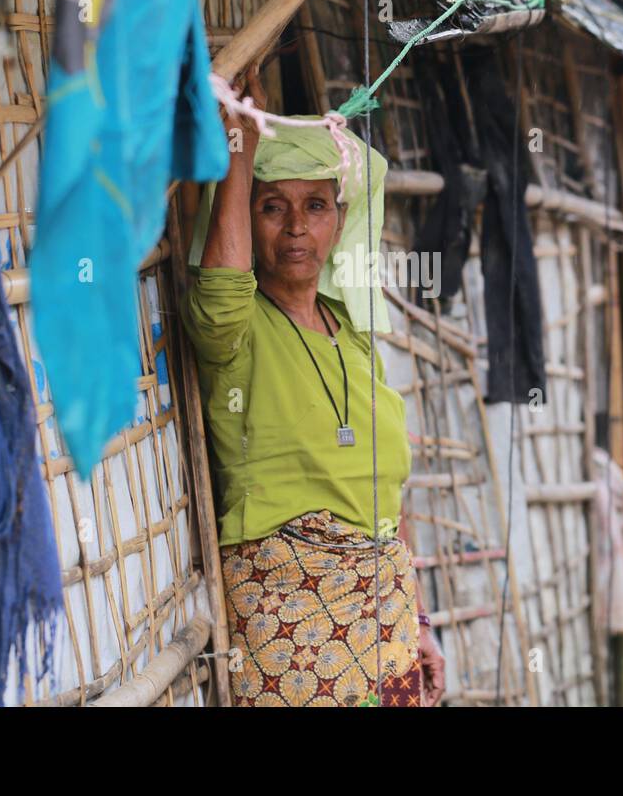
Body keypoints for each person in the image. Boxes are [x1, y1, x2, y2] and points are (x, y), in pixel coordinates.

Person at [182, 67, 446, 707]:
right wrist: (241, 144)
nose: (296, 227)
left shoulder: (353, 335)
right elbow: (221, 290)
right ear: (246, 218)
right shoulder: (237, 329)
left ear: (340, 219)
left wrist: (419, 624)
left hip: (385, 621)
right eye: (273, 207)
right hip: (290, 619)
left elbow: (386, 493)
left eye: (316, 206)